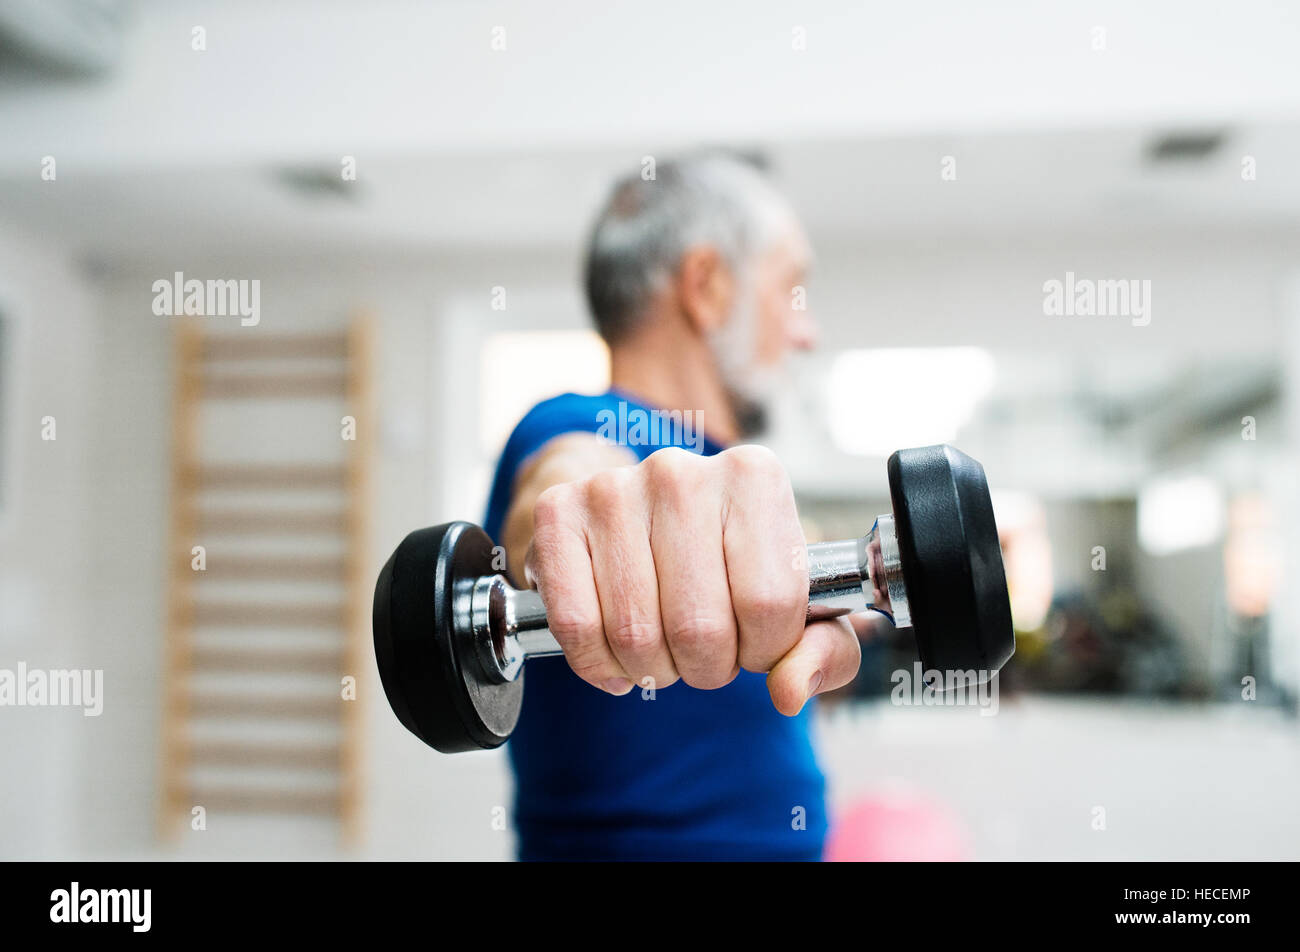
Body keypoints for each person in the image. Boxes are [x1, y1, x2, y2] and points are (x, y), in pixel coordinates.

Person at [482, 154, 861, 861]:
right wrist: (586, 522)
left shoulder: (724, 481)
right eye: (793, 289)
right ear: (708, 287)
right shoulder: (577, 426)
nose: (807, 333)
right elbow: (567, 492)